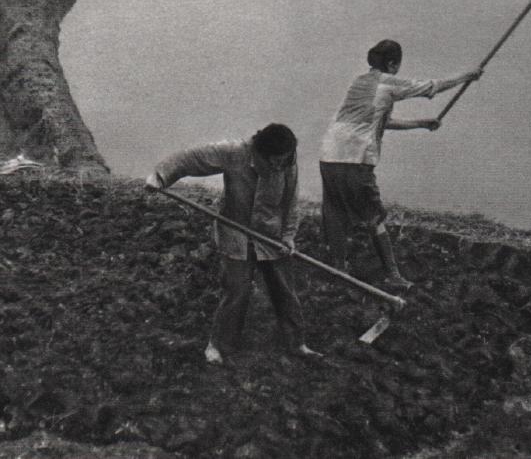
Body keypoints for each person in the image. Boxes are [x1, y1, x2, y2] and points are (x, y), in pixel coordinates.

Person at [146, 123, 321, 363]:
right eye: (273, 161)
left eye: (284, 160)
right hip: (235, 232)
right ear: (259, 153)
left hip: (271, 235)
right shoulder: (234, 152)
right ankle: (219, 346)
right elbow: (191, 158)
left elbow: (290, 201)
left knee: (284, 289)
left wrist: (289, 235)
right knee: (237, 290)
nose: (279, 166)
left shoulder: (288, 161)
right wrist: (160, 175)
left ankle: (297, 343)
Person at [319, 40, 482, 289]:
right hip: (356, 156)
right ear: (393, 64)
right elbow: (431, 87)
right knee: (374, 215)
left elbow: (382, 121)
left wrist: (420, 123)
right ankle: (392, 275)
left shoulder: (358, 83)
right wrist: (466, 77)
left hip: (329, 154)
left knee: (335, 209)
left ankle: (339, 268)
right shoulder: (388, 81)